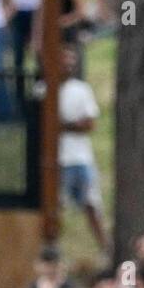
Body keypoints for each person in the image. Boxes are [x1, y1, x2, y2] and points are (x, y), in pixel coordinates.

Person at [57, 46, 107, 251]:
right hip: (59, 160)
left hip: (81, 157)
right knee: (57, 207)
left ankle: (105, 247)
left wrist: (62, 126)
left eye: (71, 61)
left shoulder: (81, 89)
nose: (68, 65)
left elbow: (90, 124)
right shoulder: (45, 88)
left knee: (91, 205)